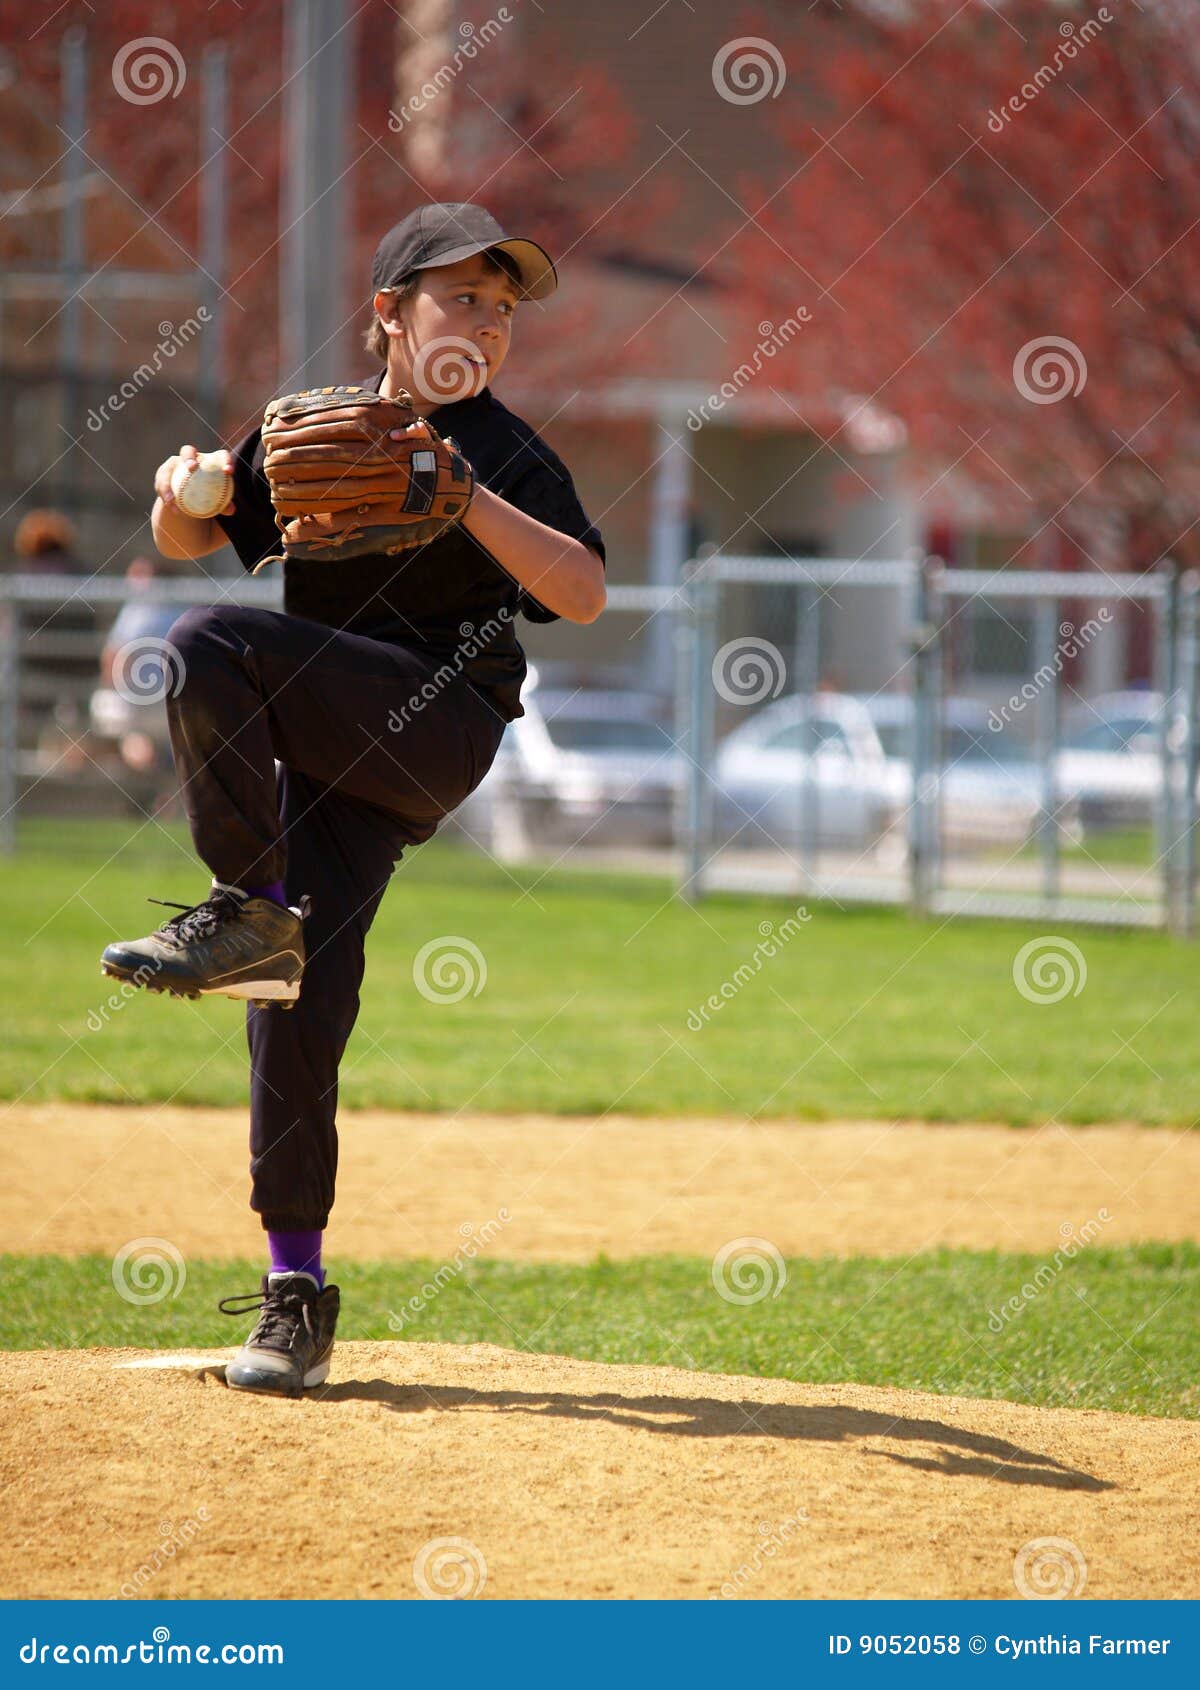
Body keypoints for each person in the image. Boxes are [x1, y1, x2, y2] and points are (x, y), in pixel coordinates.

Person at [99, 202, 606, 1397]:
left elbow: (580, 592)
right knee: (293, 999)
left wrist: (463, 491)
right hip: (327, 756)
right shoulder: (314, 429)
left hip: (440, 727)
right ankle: (296, 1291)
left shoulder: (508, 451)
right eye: (460, 296)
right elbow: (189, 528)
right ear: (389, 313)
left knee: (214, 642)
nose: (485, 322)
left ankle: (235, 905)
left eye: (501, 306)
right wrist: (185, 490)